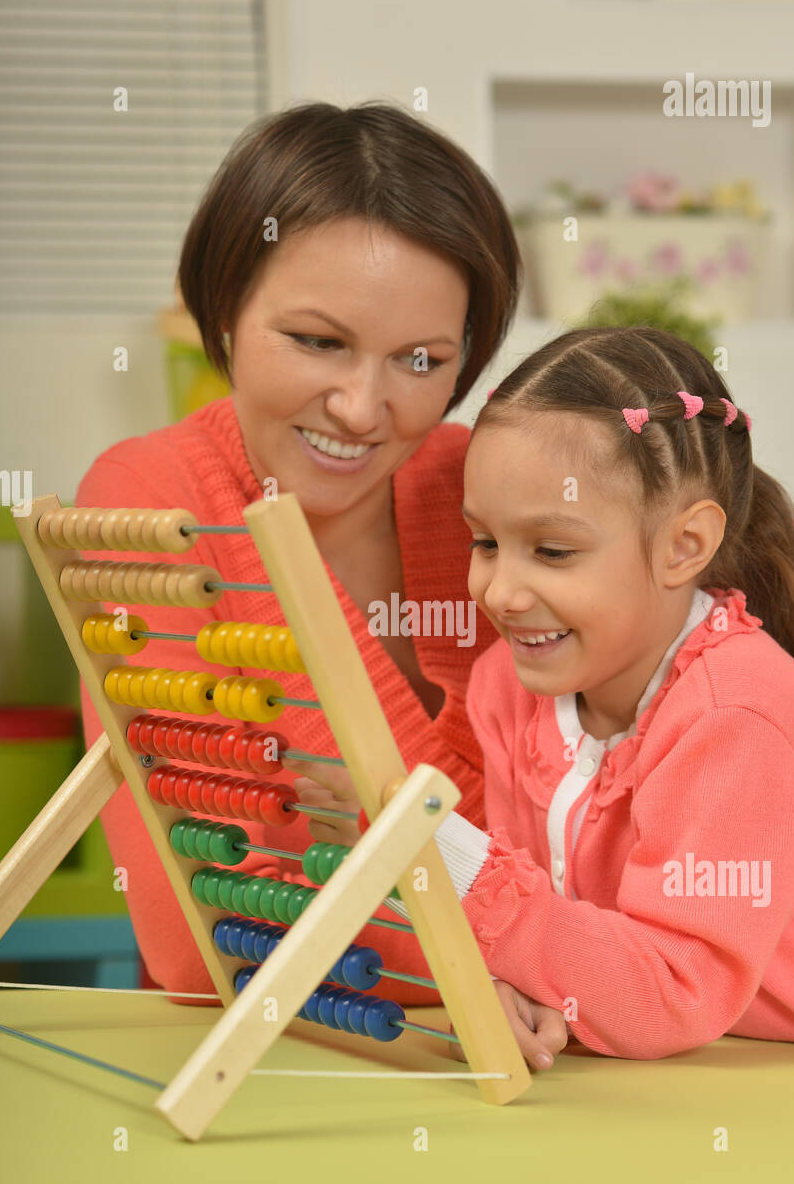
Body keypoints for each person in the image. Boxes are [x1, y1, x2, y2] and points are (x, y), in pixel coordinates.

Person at [75, 100, 520, 1005]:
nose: (362, 408)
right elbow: (191, 943)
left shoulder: (484, 482)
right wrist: (511, 970)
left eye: (421, 361)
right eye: (317, 342)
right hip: (297, 1076)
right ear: (225, 309)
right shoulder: (152, 506)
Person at [423, 324, 794, 1068]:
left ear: (683, 546)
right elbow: (544, 928)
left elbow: (667, 993)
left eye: (552, 551)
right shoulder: (509, 684)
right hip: (673, 1074)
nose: (500, 590)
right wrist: (508, 983)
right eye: (485, 542)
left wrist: (434, 846)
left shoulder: (736, 721)